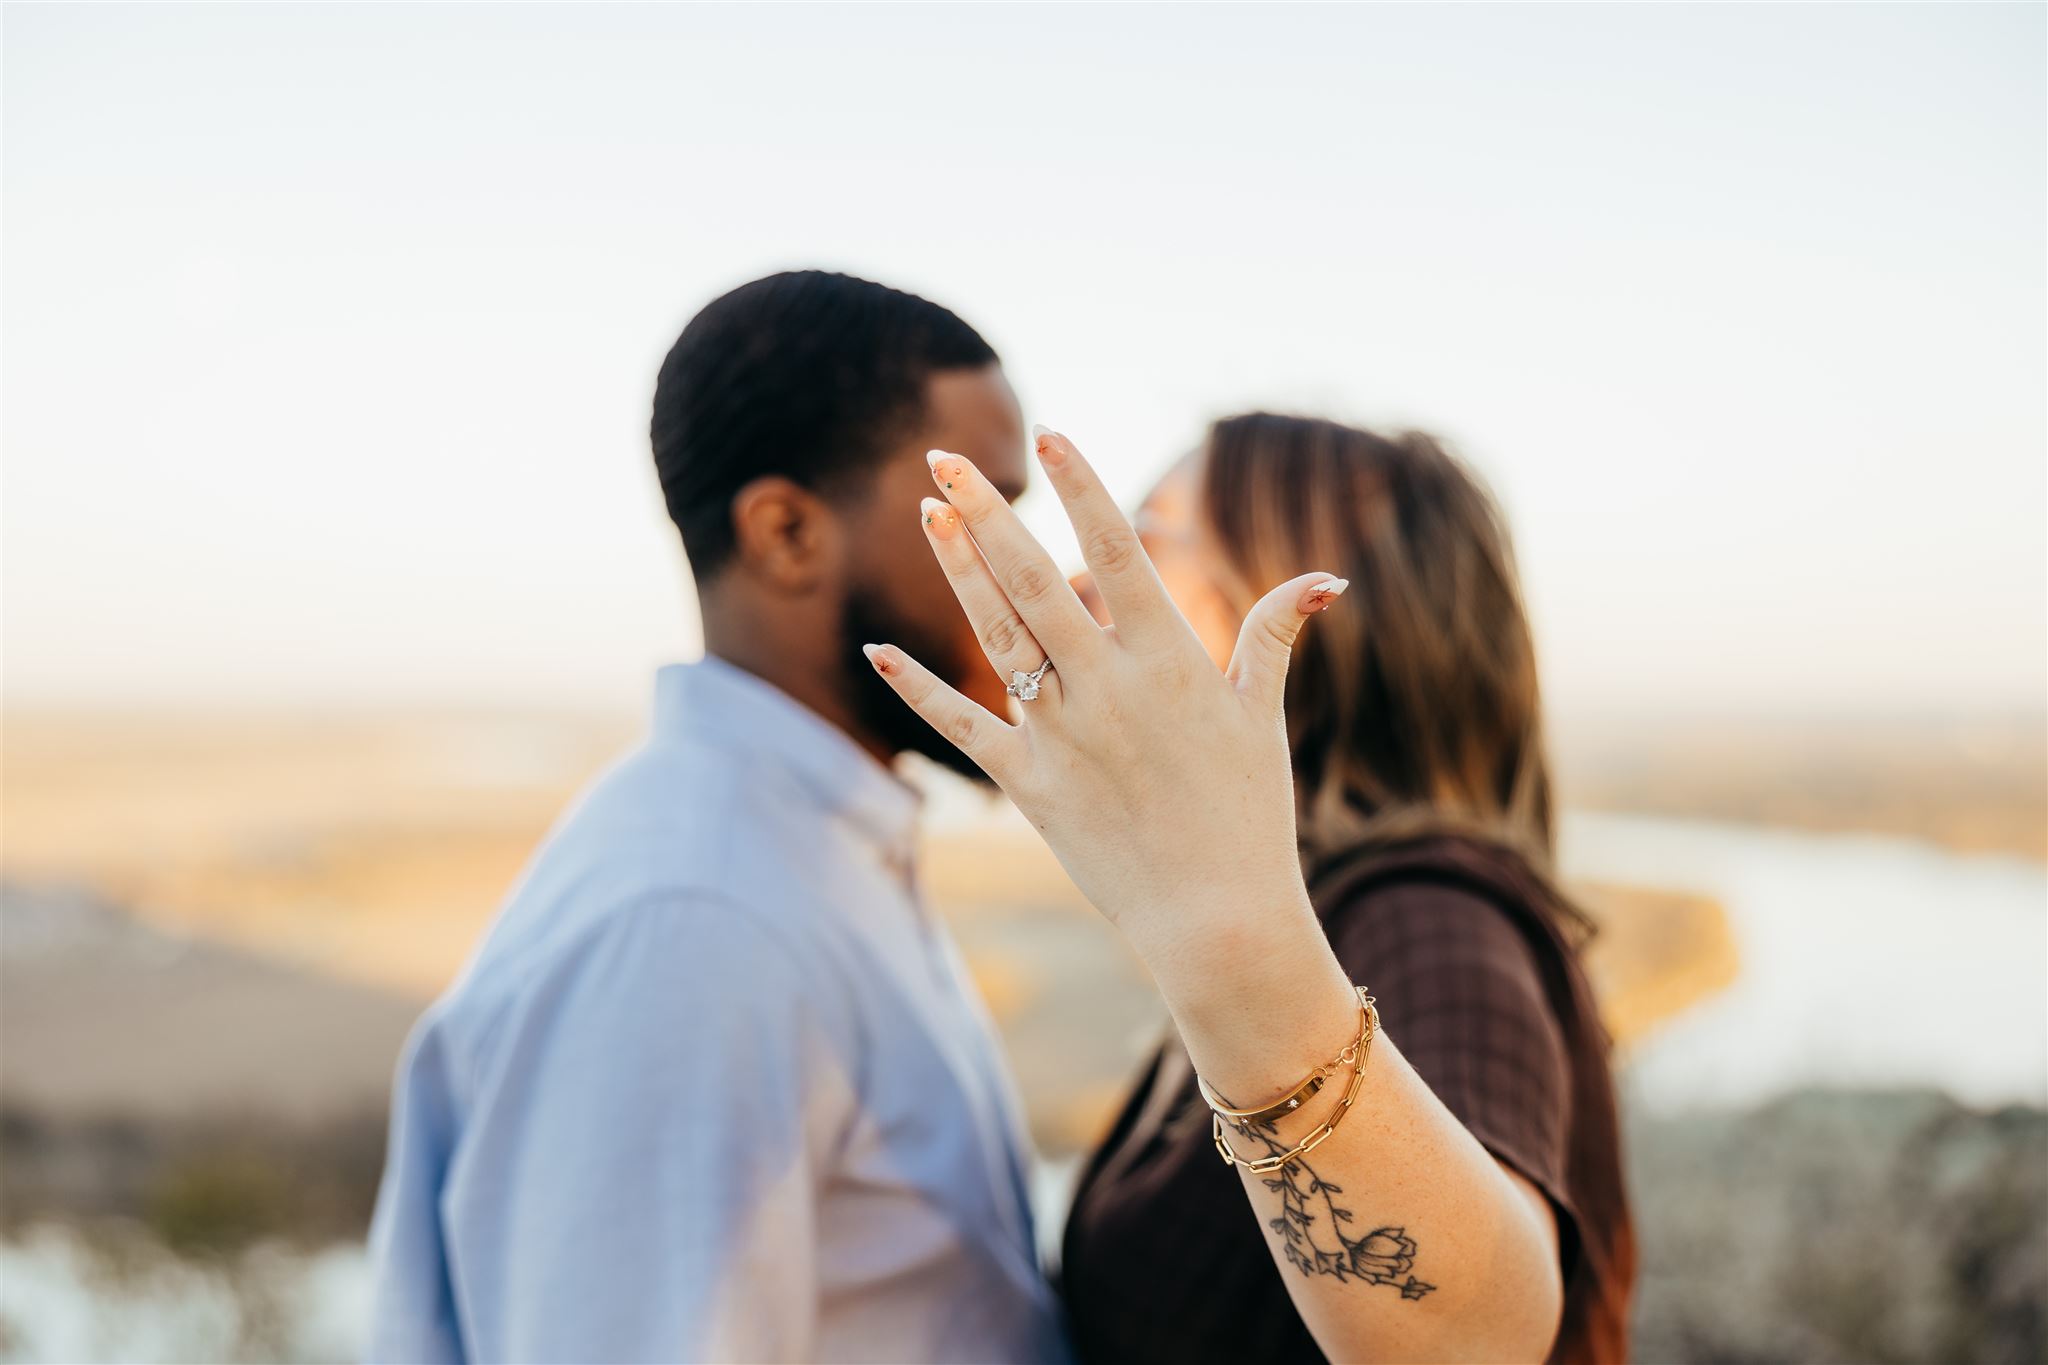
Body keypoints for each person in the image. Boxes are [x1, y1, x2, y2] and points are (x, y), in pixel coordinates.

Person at [366, 270, 1068, 1363]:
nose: (1037, 582)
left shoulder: (809, 852)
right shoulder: (693, 927)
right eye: (984, 518)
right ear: (786, 533)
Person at [865, 414, 1634, 1363]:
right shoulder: (1314, 905)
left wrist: (1225, 935)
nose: (1076, 583)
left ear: (1315, 614)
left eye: (1147, 543)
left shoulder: (1431, 917)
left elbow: (1479, 1338)